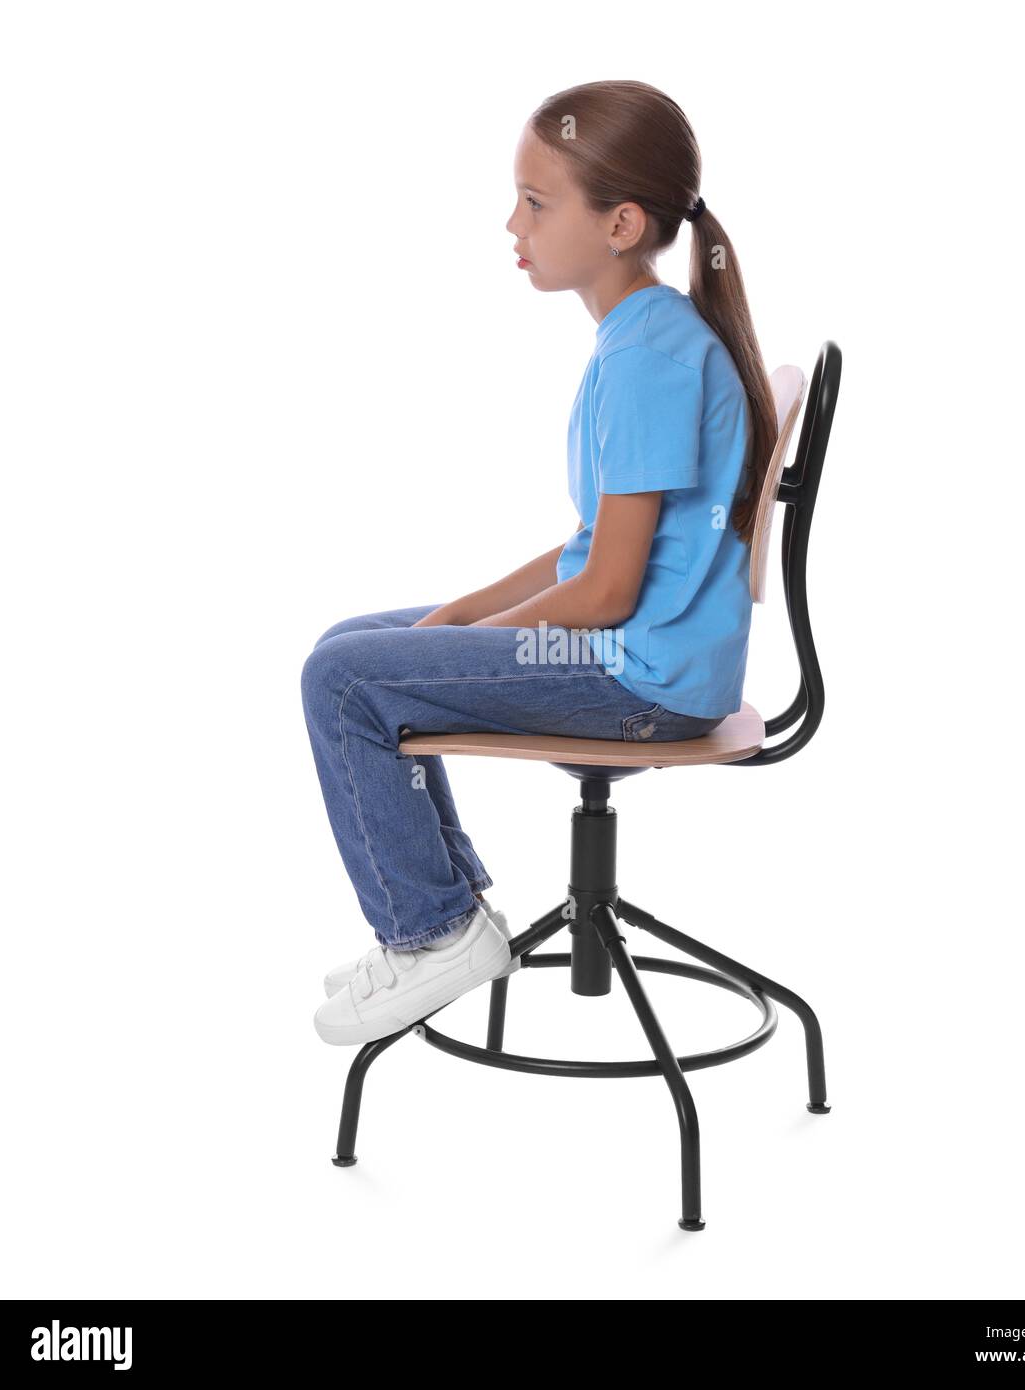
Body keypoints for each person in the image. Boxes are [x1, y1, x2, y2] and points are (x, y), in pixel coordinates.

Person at [301, 79, 781, 1047]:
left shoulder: (648, 356)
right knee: (361, 644)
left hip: (634, 679)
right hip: (642, 659)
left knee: (343, 679)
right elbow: (589, 546)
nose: (511, 222)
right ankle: (443, 915)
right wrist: (461, 614)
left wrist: (469, 639)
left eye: (536, 200)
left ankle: (431, 931)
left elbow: (605, 592)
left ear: (621, 224)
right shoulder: (642, 335)